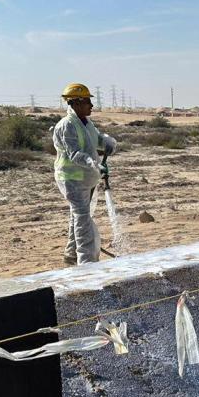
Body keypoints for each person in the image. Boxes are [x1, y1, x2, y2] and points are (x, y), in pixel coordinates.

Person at [53, 83, 117, 265]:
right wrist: (94, 164)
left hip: (86, 178)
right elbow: (75, 154)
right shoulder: (66, 126)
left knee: (78, 216)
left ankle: (71, 256)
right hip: (71, 179)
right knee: (82, 219)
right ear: (77, 103)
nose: (91, 106)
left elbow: (96, 140)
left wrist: (107, 142)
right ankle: (86, 263)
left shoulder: (86, 123)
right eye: (88, 101)